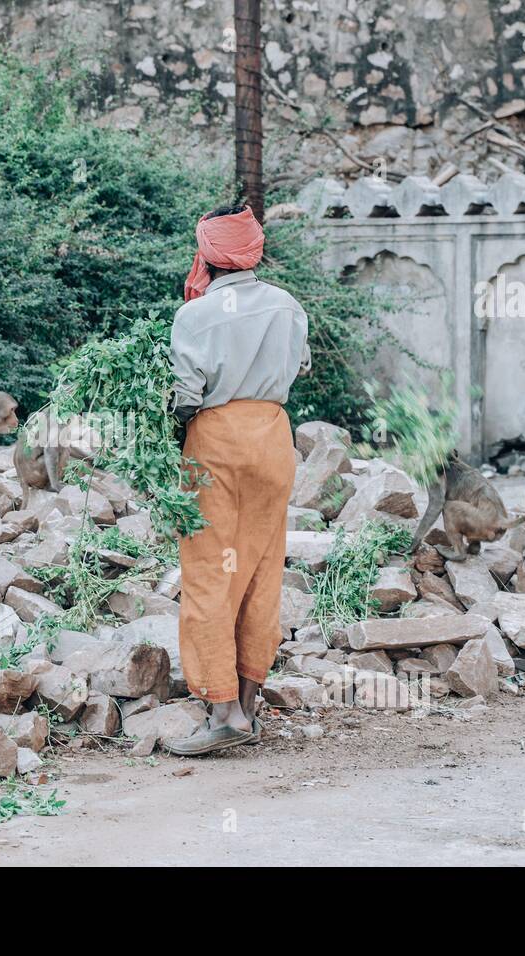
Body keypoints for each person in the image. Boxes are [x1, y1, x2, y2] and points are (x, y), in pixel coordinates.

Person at [165, 203, 310, 756]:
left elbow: (186, 396)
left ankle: (222, 711)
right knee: (260, 569)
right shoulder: (288, 305)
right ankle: (248, 705)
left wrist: (173, 431)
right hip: (273, 440)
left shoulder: (194, 316)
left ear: (208, 254)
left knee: (208, 571)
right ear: (253, 251)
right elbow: (300, 367)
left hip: (217, 444)